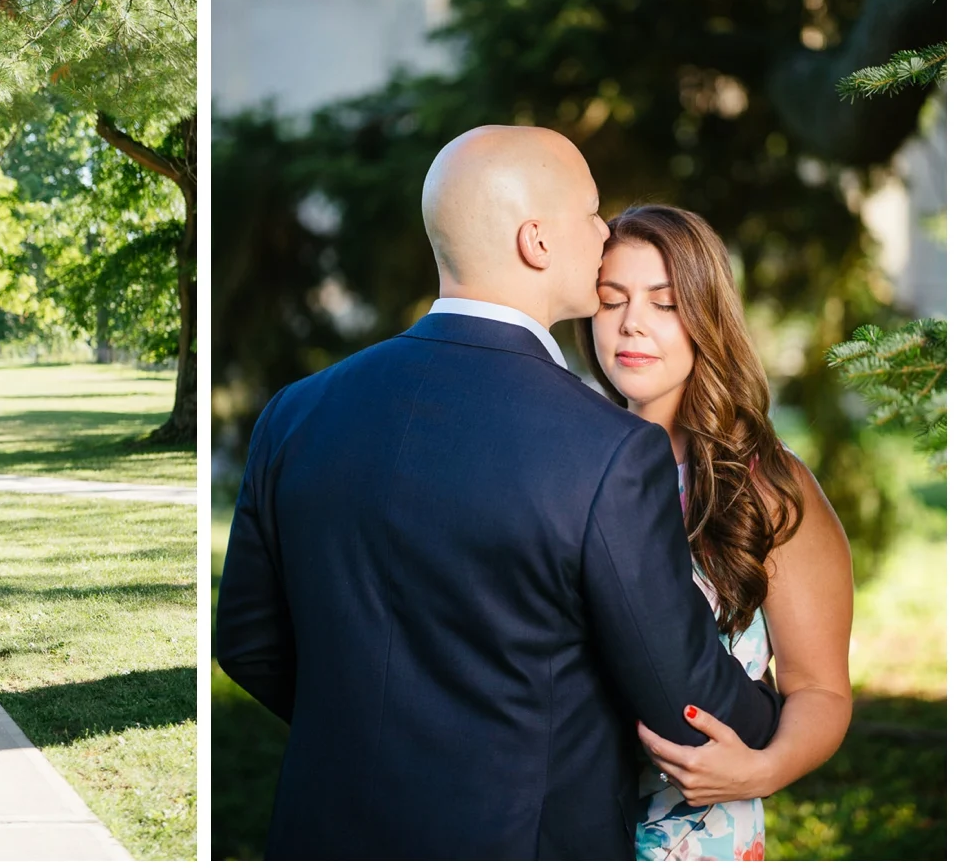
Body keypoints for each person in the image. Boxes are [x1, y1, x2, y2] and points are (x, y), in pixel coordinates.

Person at [215, 125, 784, 859]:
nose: (604, 230)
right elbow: (685, 697)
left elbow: (250, 642)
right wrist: (785, 720)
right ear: (537, 241)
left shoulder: (295, 413)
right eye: (589, 213)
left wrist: (368, 736)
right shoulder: (606, 451)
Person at [576, 205, 853, 860]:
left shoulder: (767, 484)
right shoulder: (569, 462)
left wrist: (766, 768)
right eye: (611, 300)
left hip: (698, 839)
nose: (631, 323)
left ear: (706, 315)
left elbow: (820, 689)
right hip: (568, 825)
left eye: (665, 303)